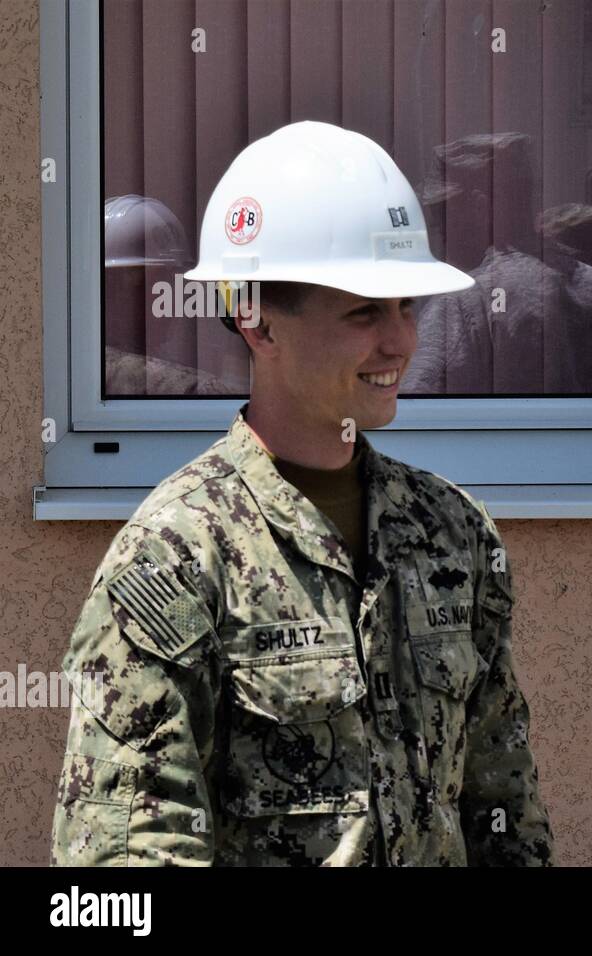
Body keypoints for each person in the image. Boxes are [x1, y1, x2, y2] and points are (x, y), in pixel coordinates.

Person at [51, 120, 555, 866]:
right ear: (257, 322)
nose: (401, 342)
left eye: (407, 306)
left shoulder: (455, 532)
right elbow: (125, 861)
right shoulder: (176, 558)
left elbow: (502, 807)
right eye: (364, 312)